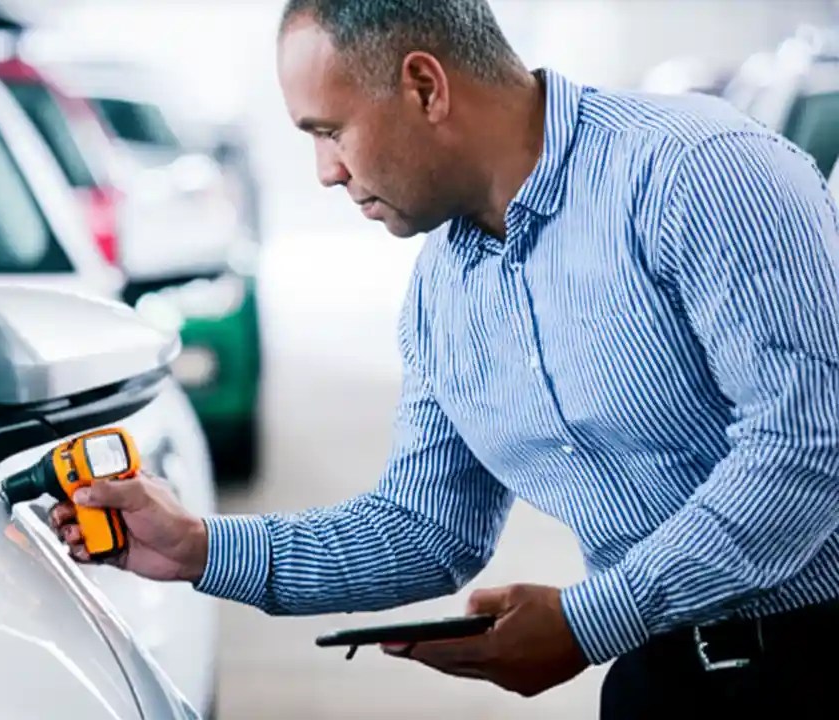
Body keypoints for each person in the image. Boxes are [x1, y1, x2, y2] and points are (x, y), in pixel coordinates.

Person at [48, 0, 839, 715]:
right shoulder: (439, 296)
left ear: (425, 86)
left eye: (329, 131)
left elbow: (806, 449)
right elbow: (426, 528)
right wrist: (199, 547)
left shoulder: (697, 173)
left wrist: (590, 618)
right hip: (664, 682)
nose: (326, 172)